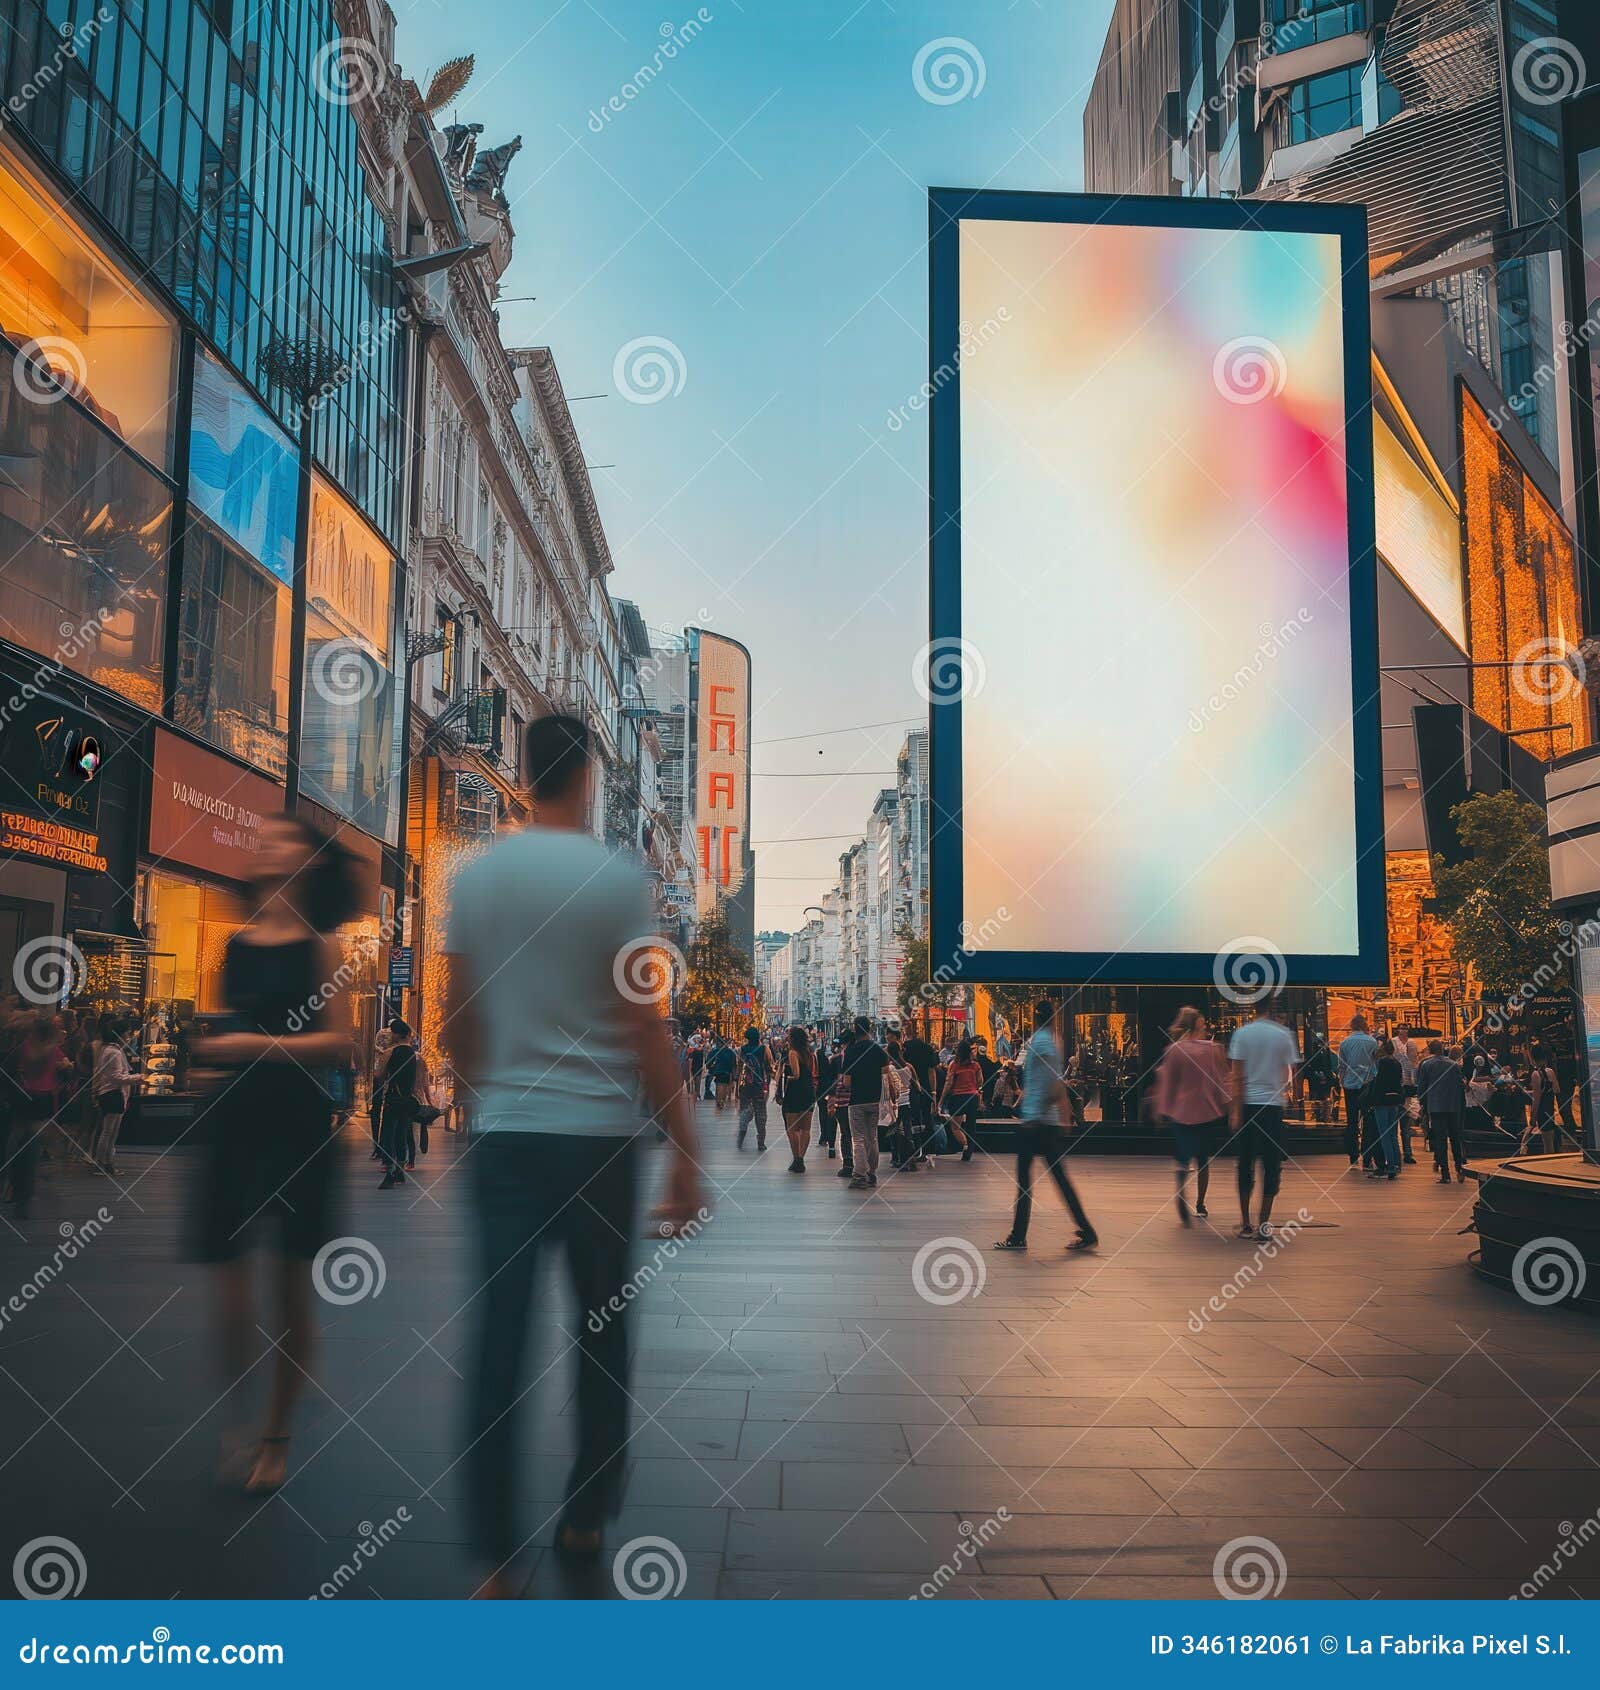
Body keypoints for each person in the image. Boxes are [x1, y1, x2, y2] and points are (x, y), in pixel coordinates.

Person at [442, 713, 700, 1595]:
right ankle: (586, 1513)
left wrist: (488, 1089)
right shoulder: (617, 881)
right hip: (599, 1145)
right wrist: (687, 1151)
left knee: (499, 1334)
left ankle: (491, 1549)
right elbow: (646, 1029)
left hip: (507, 1140)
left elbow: (453, 1020)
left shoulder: (475, 880)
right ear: (588, 776)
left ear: (522, 768)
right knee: (601, 1333)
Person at [186, 812, 358, 1498]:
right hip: (232, 1123)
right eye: (263, 838)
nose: (266, 844)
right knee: (229, 1288)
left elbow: (340, 1045)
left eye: (281, 838)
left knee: (289, 1292)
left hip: (296, 1126)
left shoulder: (323, 949)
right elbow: (221, 1023)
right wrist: (210, 1057)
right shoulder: (234, 945)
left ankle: (277, 1435)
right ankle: (238, 1419)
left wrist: (246, 1047)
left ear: (306, 862)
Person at [994, 1000, 1097, 1253]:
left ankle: (1019, 1237)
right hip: (1043, 1121)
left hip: (1036, 1123)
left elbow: (1051, 1084)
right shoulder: (1052, 1041)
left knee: (1026, 1182)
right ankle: (1086, 1230)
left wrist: (1039, 1114)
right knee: (1057, 1179)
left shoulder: (1040, 1043)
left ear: (1035, 1017)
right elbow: (1053, 1083)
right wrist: (1062, 1114)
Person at [1150, 1006, 1231, 1224]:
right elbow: (1221, 1079)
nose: (1206, 1029)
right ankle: (1200, 1204)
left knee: (1183, 1157)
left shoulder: (1175, 1050)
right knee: (1203, 1158)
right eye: (1203, 1025)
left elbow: (1167, 1083)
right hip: (1205, 1110)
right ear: (1196, 1026)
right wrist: (1228, 1105)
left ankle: (1180, 1191)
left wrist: (1162, 1110)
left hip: (1181, 1111)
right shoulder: (1213, 1050)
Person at [1228, 999, 1300, 1241]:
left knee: (1245, 1164)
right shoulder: (1283, 1035)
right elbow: (1289, 1072)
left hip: (1248, 1105)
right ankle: (1264, 1224)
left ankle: (1246, 1223)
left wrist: (1235, 1111)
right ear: (1273, 1010)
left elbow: (1236, 1076)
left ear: (1253, 1009)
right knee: (1271, 1165)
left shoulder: (1242, 1034)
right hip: (1272, 1106)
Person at [6, 1012, 67, 1220]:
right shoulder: (54, 1052)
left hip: (24, 1101)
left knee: (17, 1145)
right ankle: (30, 1184)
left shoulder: (22, 1050)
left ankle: (18, 1187)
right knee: (32, 1145)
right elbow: (66, 1071)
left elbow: (7, 1072)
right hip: (43, 1102)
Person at [841, 1016, 888, 1190]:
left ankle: (859, 1175)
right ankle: (872, 1173)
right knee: (872, 1136)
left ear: (855, 1030)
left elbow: (846, 1082)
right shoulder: (879, 1051)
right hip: (875, 1100)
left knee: (858, 1139)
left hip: (857, 1101)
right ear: (870, 1029)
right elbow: (885, 1077)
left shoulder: (851, 1052)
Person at [1416, 1038, 1468, 1183]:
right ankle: (1459, 1168)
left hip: (1436, 1107)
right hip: (1453, 1106)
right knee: (1455, 1138)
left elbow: (1422, 1087)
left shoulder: (1426, 1065)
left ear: (1430, 1050)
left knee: (1440, 1140)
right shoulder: (1454, 1065)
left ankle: (1445, 1174)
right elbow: (1460, 1086)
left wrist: (1423, 1105)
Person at [374, 1017, 418, 1187]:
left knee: (388, 1133)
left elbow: (379, 1075)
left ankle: (390, 1170)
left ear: (398, 1034)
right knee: (402, 1134)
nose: (390, 1034)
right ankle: (400, 1170)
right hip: (406, 1099)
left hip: (393, 1098)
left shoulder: (390, 1052)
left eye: (392, 1031)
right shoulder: (414, 1054)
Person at [90, 1016, 135, 1177]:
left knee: (109, 1131)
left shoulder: (109, 1050)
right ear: (120, 1035)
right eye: (127, 1034)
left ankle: (106, 1163)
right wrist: (138, 1078)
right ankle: (104, 1164)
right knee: (109, 1132)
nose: (129, 1037)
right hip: (114, 1094)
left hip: (112, 1094)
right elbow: (117, 1077)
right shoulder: (114, 1052)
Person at [1335, 1015, 1377, 1170]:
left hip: (1350, 1086)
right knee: (1369, 1122)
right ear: (1364, 1025)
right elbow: (1375, 1065)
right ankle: (1367, 1157)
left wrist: (1343, 1081)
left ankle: (1353, 1156)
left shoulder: (1345, 1043)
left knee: (1352, 1121)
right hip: (1367, 1085)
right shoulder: (1372, 1042)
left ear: (1352, 1026)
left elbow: (1342, 1066)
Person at [934, 1038, 982, 1161]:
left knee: (955, 1126)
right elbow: (980, 1081)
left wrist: (941, 1100)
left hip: (958, 1097)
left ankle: (965, 1145)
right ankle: (969, 1150)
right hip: (973, 1097)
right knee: (971, 1125)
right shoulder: (975, 1065)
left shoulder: (954, 1065)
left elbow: (948, 1083)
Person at [901, 1025, 941, 1164]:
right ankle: (929, 1150)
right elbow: (932, 1072)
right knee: (927, 1118)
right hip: (925, 1088)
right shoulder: (927, 1048)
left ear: (905, 1033)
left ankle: (915, 1149)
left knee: (913, 1120)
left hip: (909, 1088)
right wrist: (934, 1092)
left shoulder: (904, 1048)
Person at [1367, 1038, 1403, 1180]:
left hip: (1382, 1101)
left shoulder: (1380, 1063)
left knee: (1384, 1135)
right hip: (1394, 1100)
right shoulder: (1397, 1063)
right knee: (1393, 1134)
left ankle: (1390, 1166)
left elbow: (1377, 1082)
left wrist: (1372, 1099)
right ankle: (1397, 1163)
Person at [780, 1025, 816, 1172]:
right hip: (808, 1091)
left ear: (793, 1039)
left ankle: (797, 1159)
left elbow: (796, 1074)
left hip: (795, 1092)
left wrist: (787, 1078)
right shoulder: (809, 1054)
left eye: (789, 1036)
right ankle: (801, 1157)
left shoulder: (793, 1053)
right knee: (805, 1129)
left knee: (792, 1128)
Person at [736, 1026, 770, 1151]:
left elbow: (739, 1069)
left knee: (744, 1112)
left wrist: (737, 1088)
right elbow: (769, 1067)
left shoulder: (742, 1050)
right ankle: (761, 1142)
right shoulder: (764, 1049)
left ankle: (740, 1139)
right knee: (761, 1114)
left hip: (745, 1086)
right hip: (759, 1085)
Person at [1392, 1026, 1420, 1165]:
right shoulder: (1401, 1061)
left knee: (1404, 1127)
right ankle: (1402, 1153)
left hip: (1406, 1097)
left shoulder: (1413, 1064)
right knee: (1403, 1127)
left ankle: (1406, 1153)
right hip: (1400, 1095)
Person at [813, 1037, 839, 1159]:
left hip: (822, 1090)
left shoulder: (820, 1060)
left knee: (823, 1113)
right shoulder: (832, 1062)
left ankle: (824, 1136)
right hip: (830, 1090)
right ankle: (828, 1138)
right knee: (830, 1114)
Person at [709, 1037, 737, 1110]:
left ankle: (719, 1101)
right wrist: (734, 1075)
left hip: (718, 1072)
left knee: (719, 1085)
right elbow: (734, 1064)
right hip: (726, 1073)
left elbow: (708, 1062)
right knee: (724, 1086)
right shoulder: (730, 1052)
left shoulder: (715, 1051)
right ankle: (721, 1101)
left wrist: (711, 1068)